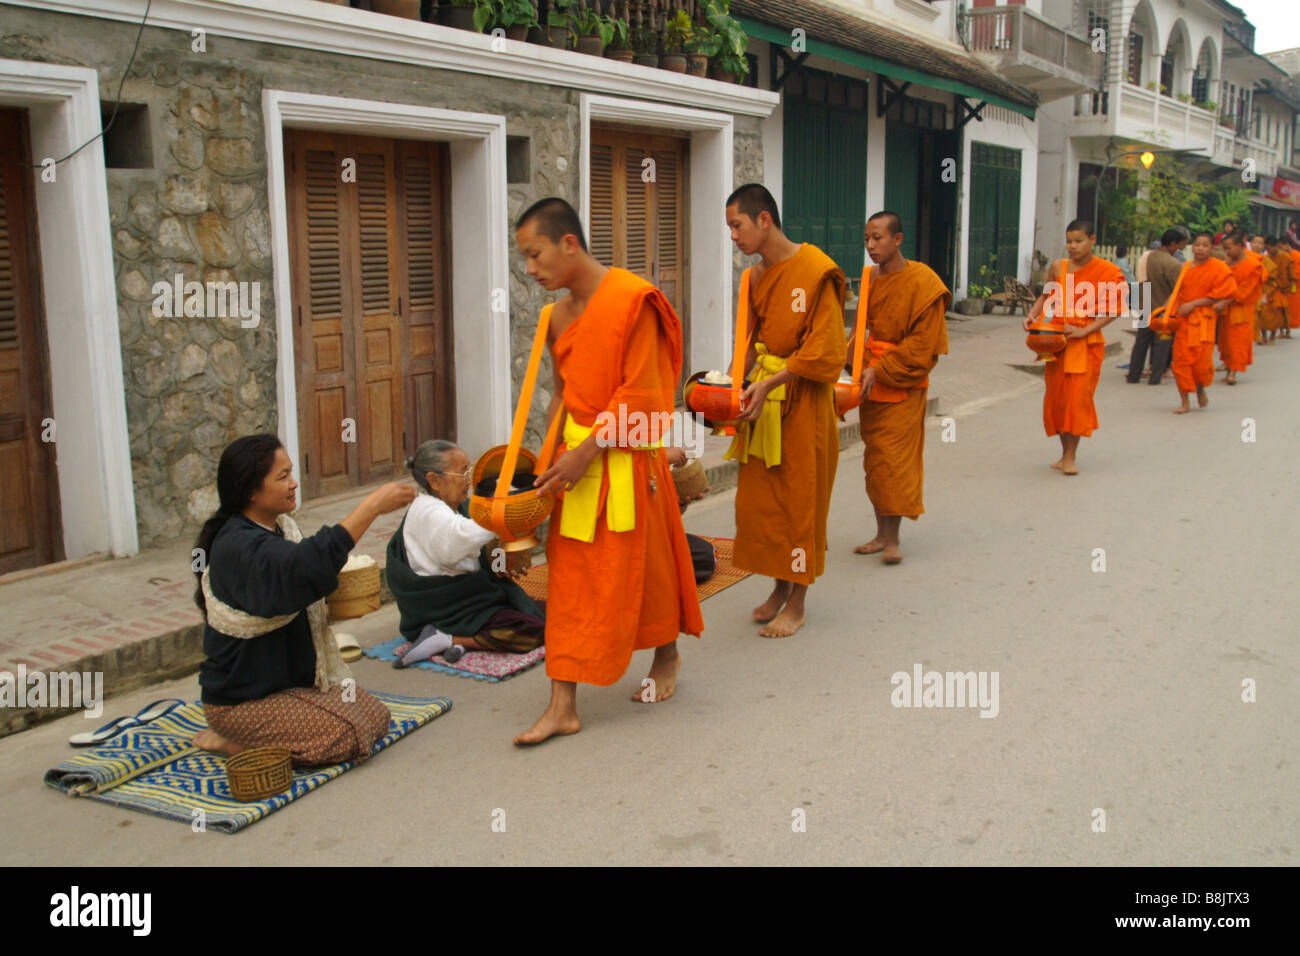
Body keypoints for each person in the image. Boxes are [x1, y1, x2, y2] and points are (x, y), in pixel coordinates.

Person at [512, 198, 703, 745]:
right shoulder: (555, 317)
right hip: (576, 464)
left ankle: (665, 654)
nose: (529, 269)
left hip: (627, 457)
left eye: (534, 254)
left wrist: (587, 452)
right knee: (571, 581)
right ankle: (562, 704)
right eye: (524, 258)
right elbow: (561, 395)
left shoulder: (630, 299)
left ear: (568, 243)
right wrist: (547, 461)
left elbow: (644, 396)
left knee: (647, 569)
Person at [191, 434, 415, 766]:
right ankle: (235, 743)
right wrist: (371, 508)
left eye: (291, 473)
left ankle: (267, 736)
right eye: (283, 477)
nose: (294, 484)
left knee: (375, 717)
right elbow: (305, 566)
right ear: (251, 490)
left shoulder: (281, 529)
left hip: (289, 689)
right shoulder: (237, 546)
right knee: (350, 736)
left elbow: (305, 575)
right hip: (242, 703)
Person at [723, 183, 847, 637]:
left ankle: (797, 602)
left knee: (799, 501)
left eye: (737, 225)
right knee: (763, 504)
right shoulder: (755, 277)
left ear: (763, 220)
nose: (733, 236)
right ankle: (778, 589)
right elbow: (752, 344)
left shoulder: (816, 270)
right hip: (764, 406)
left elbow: (828, 348)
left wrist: (775, 380)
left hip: (804, 403)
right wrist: (733, 390)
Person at [385, 439, 544, 669]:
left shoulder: (457, 504)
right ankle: (449, 639)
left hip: (470, 598)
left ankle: (462, 642)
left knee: (544, 612)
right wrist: (510, 507)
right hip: (444, 607)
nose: (468, 479)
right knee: (532, 630)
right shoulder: (427, 511)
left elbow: (485, 544)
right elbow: (464, 539)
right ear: (434, 480)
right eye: (462, 473)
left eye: (469, 470)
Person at [850, 211, 949, 564]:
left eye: (878, 238)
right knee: (875, 459)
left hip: (903, 382)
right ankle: (880, 534)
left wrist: (881, 368)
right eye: (867, 238)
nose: (871, 245)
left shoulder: (924, 282)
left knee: (894, 461)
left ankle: (892, 540)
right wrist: (847, 367)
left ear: (898, 239)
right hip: (870, 383)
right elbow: (861, 328)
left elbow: (924, 344)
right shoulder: (868, 279)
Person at [1022, 219, 1126, 474]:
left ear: (1092, 240)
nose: (1073, 246)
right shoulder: (1059, 267)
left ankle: (1071, 456)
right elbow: (1047, 294)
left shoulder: (1108, 271)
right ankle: (1063, 452)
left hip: (1086, 343)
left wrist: (1084, 330)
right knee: (1057, 399)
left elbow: (1114, 310)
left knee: (1077, 400)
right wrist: (1034, 315)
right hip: (1056, 342)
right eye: (1069, 241)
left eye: (1079, 241)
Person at [1168, 232, 1236, 414]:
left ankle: (1199, 388)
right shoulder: (1186, 267)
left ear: (1212, 248)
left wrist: (1194, 304)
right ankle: (1184, 402)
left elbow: (1222, 293)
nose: (1200, 248)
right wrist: (1168, 312)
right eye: (1197, 245)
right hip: (1184, 319)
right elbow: (1178, 293)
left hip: (1204, 320)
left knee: (1201, 364)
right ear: (1192, 247)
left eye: (1205, 245)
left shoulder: (1218, 268)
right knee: (1181, 362)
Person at [1127, 229, 1186, 385]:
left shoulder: (1149, 256)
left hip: (1146, 304)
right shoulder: (1172, 264)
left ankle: (1133, 374)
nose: (1178, 250)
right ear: (1173, 244)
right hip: (1162, 309)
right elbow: (1178, 289)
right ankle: (1155, 377)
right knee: (1161, 344)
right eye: (1178, 246)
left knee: (1141, 342)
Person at [1216, 231, 1264, 385]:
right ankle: (1229, 366)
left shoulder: (1253, 265)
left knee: (1237, 341)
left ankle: (1233, 372)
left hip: (1241, 308)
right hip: (1225, 309)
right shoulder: (1226, 263)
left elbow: (1244, 291)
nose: (1227, 252)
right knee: (1225, 340)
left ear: (1239, 246)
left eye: (1229, 248)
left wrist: (1227, 301)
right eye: (1225, 249)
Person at [1260, 237, 1293, 344]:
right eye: (1267, 249)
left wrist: (1281, 285)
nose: (1269, 251)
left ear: (1276, 246)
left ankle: (1272, 337)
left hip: (1279, 288)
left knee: (1276, 314)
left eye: (1270, 249)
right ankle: (1263, 336)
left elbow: (1288, 275)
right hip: (1266, 287)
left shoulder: (1285, 257)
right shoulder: (1265, 258)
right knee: (1262, 313)